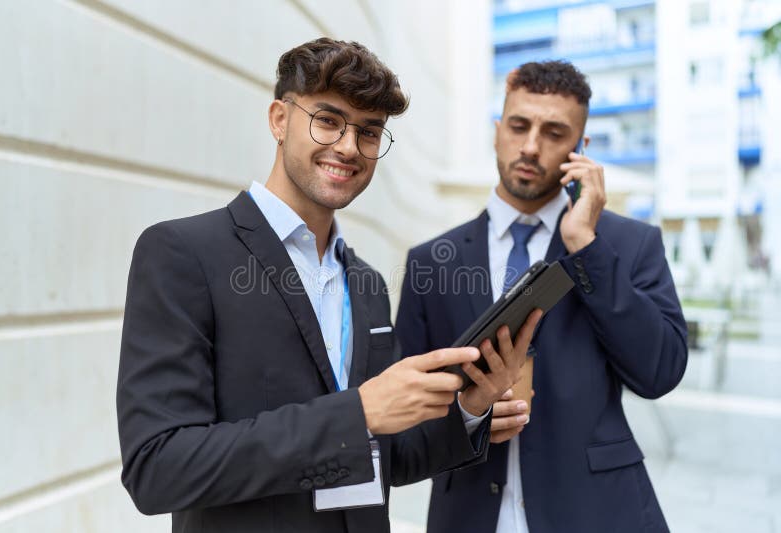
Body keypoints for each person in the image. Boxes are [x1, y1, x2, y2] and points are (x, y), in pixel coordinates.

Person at [116, 38, 541, 533]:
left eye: (369, 131)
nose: (348, 146)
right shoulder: (183, 253)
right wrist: (356, 413)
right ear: (279, 119)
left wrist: (470, 409)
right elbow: (158, 467)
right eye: (328, 120)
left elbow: (390, 455)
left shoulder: (367, 284)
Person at [396, 60, 688, 533]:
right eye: (519, 126)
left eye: (554, 133)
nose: (531, 146)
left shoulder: (630, 245)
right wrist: (469, 417)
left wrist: (586, 248)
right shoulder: (431, 262)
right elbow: (408, 411)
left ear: (581, 149)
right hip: (468, 515)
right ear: (497, 131)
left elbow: (660, 372)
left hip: (597, 513)